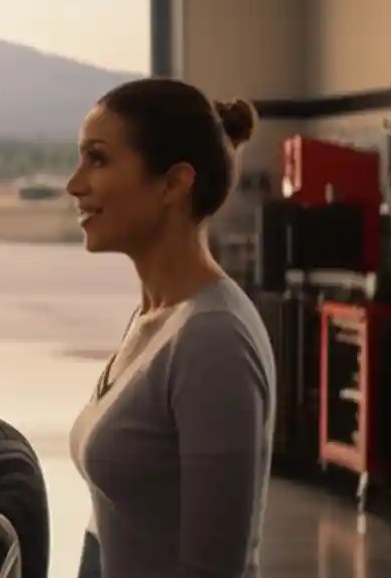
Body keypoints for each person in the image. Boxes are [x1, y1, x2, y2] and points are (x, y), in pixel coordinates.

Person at [64, 78, 276, 578]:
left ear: (172, 185)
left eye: (98, 159)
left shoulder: (213, 337)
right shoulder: (152, 319)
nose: (74, 184)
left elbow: (212, 569)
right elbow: (110, 528)